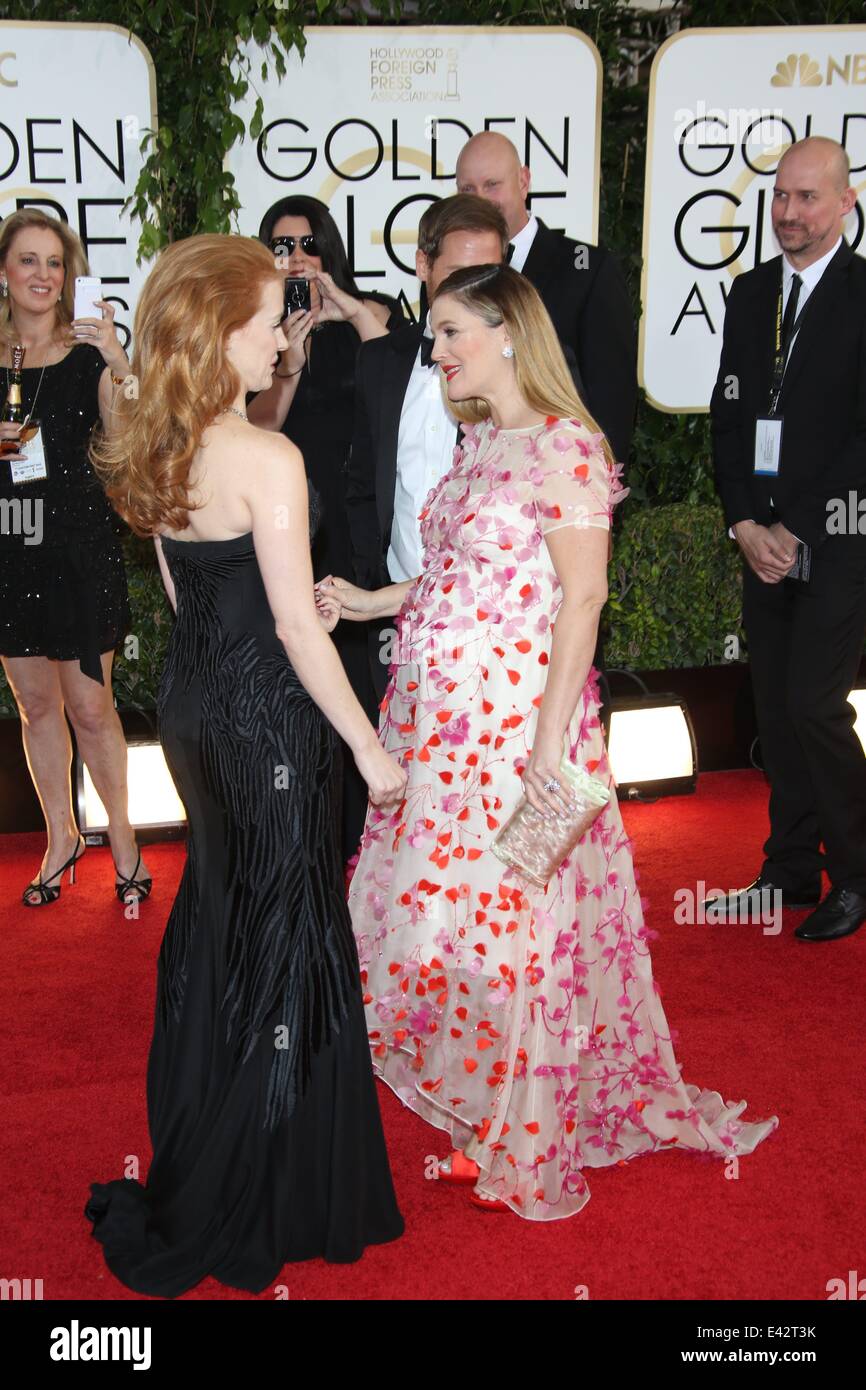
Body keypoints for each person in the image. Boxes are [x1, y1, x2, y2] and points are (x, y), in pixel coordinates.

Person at [317, 263, 779, 1219]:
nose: (435, 353)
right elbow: (456, 578)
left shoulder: (568, 449)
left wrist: (549, 743)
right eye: (434, 335)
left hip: (513, 729)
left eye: (449, 334)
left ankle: (523, 1135)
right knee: (451, 923)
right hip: (436, 724)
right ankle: (486, 1103)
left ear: (509, 334)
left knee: (514, 931)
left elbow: (582, 598)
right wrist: (372, 600)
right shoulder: (479, 440)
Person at [83, 233, 406, 1297]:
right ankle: (271, 1176)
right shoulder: (266, 458)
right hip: (270, 721)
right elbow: (297, 632)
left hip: (192, 707)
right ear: (221, 330)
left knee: (226, 907)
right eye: (271, 318)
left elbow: (191, 600)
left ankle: (228, 1133)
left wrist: (269, 640)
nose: (282, 338)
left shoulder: (160, 441)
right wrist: (367, 746)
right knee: (292, 923)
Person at [710, 136, 866, 943]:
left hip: (837, 539)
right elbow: (730, 416)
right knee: (775, 705)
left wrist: (792, 527)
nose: (790, 213)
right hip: (760, 539)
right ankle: (791, 869)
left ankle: (858, 872)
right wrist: (743, 522)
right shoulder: (747, 295)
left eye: (808, 198)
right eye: (780, 197)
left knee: (814, 704)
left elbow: (859, 440)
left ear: (844, 203)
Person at [247, 196, 405, 865]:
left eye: (310, 244)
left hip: (363, 530)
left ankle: (378, 844)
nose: (298, 258)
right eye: (283, 247)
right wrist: (292, 353)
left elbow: (404, 382)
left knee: (368, 687)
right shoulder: (259, 332)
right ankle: (313, 844)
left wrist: (346, 308)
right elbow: (255, 433)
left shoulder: (371, 308)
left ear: (331, 249)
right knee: (304, 687)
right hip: (291, 533)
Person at [0, 209, 151, 907]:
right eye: (28, 260)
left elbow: (124, 447)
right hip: (11, 544)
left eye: (54, 263)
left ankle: (122, 839)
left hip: (80, 548)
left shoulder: (90, 352)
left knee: (91, 707)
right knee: (36, 707)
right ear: (5, 271)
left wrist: (120, 362)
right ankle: (61, 838)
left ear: (70, 275)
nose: (42, 275)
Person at [346, 193, 509, 707]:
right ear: (422, 264)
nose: (476, 290)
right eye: (460, 272)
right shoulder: (379, 363)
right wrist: (375, 592)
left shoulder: (529, 374)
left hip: (497, 633)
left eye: (490, 274)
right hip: (396, 622)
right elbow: (360, 489)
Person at [456, 130, 637, 466]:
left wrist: (593, 500)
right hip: (473, 491)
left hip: (559, 490)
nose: (479, 200)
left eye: (492, 184)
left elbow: (612, 402)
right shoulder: (453, 279)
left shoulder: (587, 271)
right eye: (467, 189)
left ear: (524, 181)